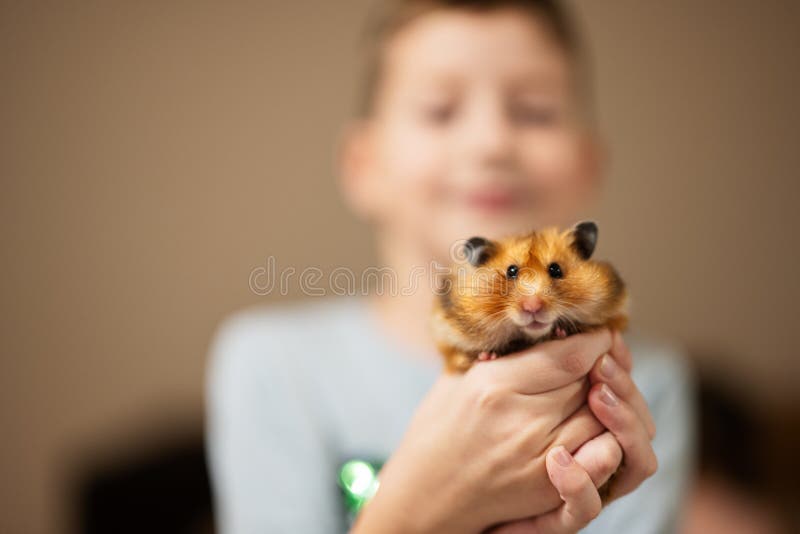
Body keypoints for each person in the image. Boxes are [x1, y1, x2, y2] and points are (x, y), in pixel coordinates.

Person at [205, 1, 695, 532]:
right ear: (362, 166)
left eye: (534, 111)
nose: (491, 144)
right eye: (440, 109)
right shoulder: (273, 363)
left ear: (588, 166)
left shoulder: (648, 381)